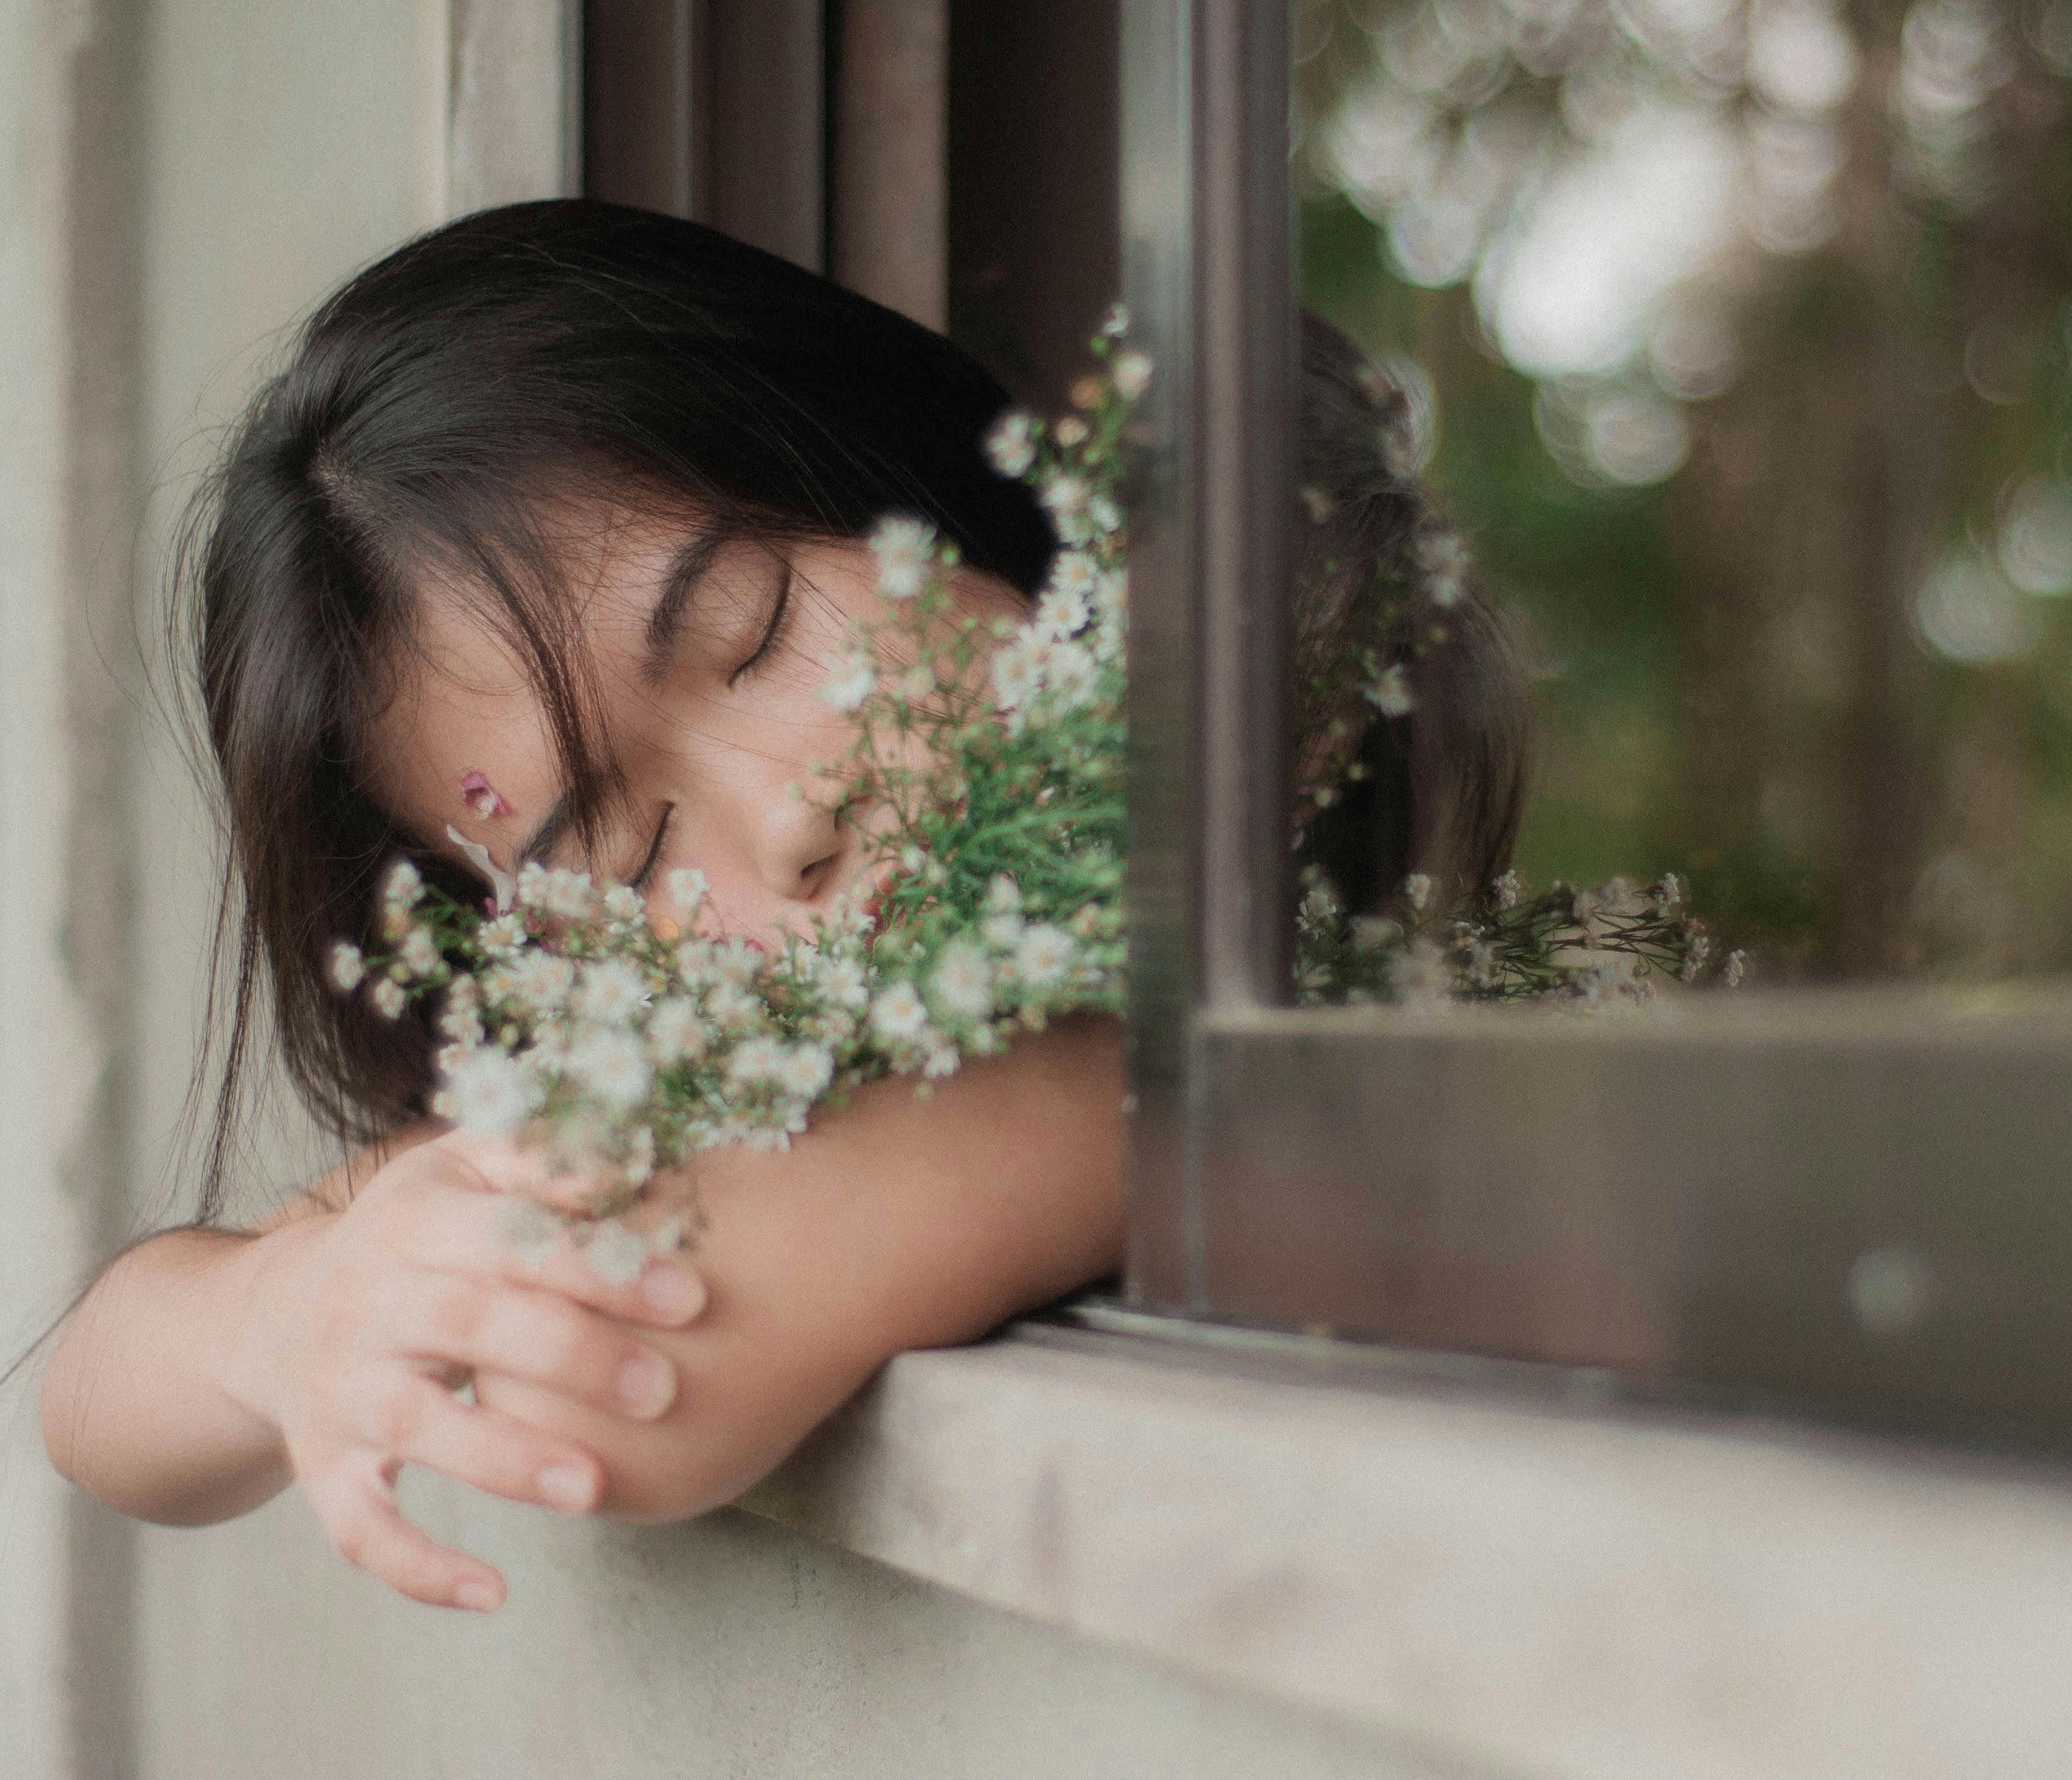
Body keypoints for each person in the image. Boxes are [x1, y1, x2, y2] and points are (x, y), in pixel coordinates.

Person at [36, 200, 1523, 1616]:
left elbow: (624, 1383)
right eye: (623, 852)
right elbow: (95, 1387)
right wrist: (284, 1310)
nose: (792, 818)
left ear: (900, 474)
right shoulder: (816, 1045)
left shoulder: (1159, 1007)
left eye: (750, 633)